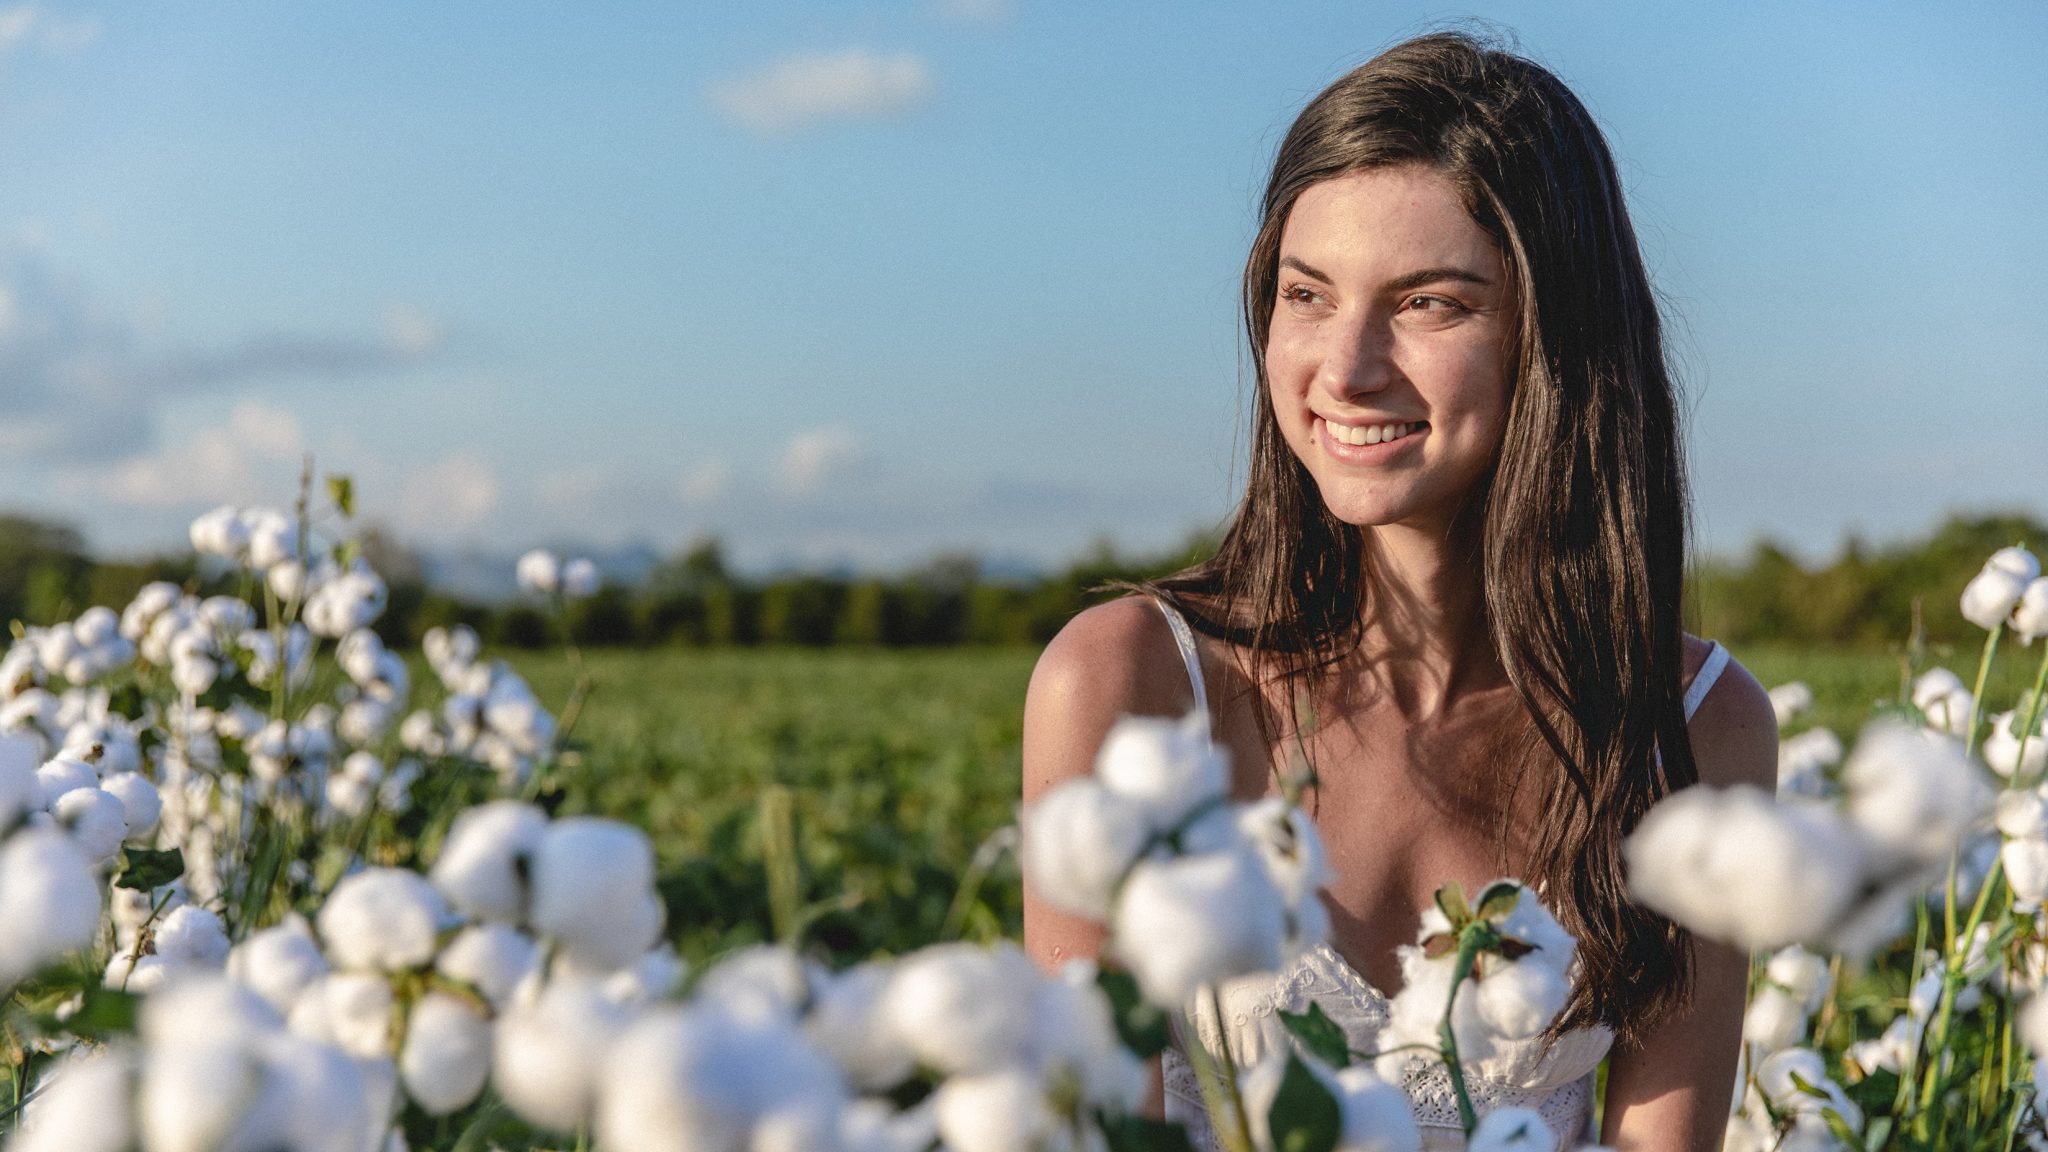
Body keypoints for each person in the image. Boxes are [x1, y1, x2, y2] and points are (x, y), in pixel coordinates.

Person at [1021, 30, 1777, 1152]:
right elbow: (1079, 1128)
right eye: (1306, 294)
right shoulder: (1131, 687)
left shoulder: (1693, 728)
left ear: (1554, 337)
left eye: (1428, 304)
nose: (1345, 366)